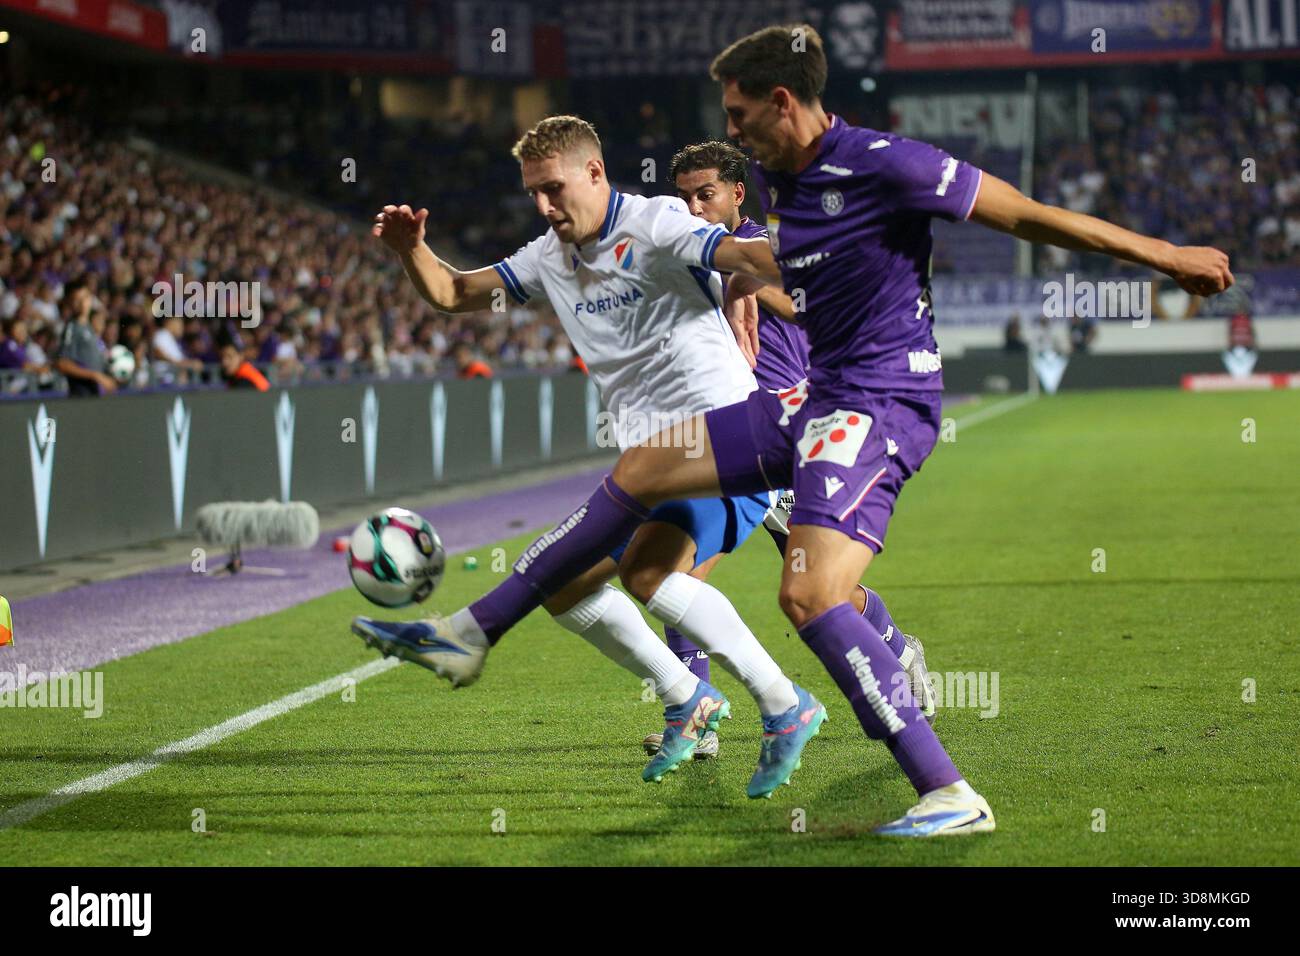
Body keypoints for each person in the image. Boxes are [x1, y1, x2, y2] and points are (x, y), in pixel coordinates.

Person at [359, 24, 1231, 835]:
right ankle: (471, 635)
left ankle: (948, 791)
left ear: (782, 102)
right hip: (814, 399)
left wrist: (1169, 257)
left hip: (880, 401)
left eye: (740, 116)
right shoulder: (781, 183)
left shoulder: (890, 164)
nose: (733, 136)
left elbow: (1034, 217)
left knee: (808, 596)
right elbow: (771, 262)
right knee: (645, 470)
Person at [353, 116, 831, 797]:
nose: (546, 207)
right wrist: (411, 250)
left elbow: (747, 260)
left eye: (555, 189)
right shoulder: (547, 257)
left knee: (592, 562)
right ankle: (715, 698)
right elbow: (454, 293)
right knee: (579, 587)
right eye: (534, 194)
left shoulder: (660, 222)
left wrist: (820, 254)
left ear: (596, 175)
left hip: (724, 438)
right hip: (658, 462)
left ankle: (465, 634)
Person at [637, 139, 933, 759]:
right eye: (684, 195)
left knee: (818, 591)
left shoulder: (774, 247)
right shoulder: (689, 253)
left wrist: (745, 280)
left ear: (737, 193)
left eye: (705, 194)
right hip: (726, 435)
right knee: (674, 574)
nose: (692, 207)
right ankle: (695, 718)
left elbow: (814, 312)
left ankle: (895, 650)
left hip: (788, 431)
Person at [54, 279, 116, 397]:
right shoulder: (72, 328)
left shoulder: (89, 327)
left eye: (85, 298)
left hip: (95, 393)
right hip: (81, 395)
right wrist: (95, 376)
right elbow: (62, 363)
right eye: (77, 300)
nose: (83, 303)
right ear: (69, 303)